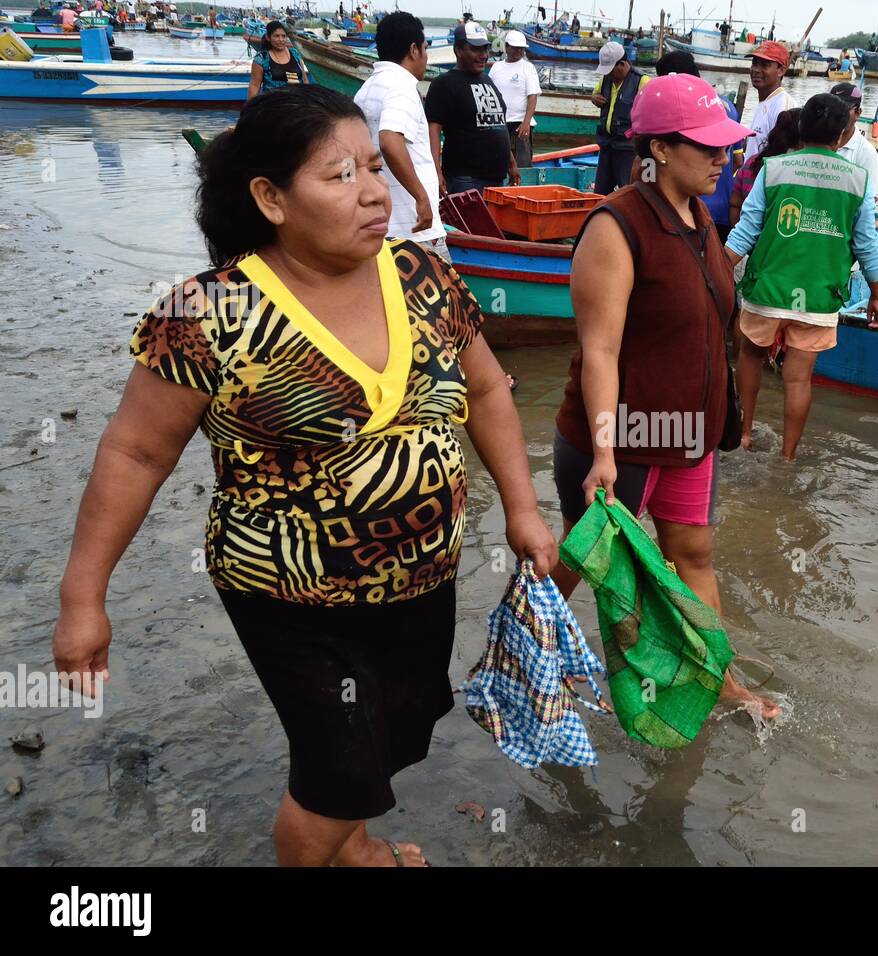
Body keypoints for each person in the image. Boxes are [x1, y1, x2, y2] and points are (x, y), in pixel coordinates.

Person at [52, 86, 555, 867]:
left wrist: (521, 509)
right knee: (336, 778)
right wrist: (83, 599)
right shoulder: (208, 314)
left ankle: (355, 849)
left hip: (423, 576)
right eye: (338, 174)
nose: (371, 190)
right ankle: (334, 846)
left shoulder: (424, 276)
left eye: (371, 167)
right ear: (269, 198)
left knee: (394, 732)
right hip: (290, 596)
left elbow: (488, 389)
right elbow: (135, 454)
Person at [549, 73, 779, 721]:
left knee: (695, 554)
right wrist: (602, 453)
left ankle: (721, 681)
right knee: (582, 562)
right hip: (621, 439)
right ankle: (521, 648)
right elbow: (598, 350)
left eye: (724, 145)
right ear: (659, 149)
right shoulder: (615, 226)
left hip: (687, 436)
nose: (722, 157)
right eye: (705, 146)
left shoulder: (700, 216)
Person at [725, 94, 878, 459]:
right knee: (798, 378)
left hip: (767, 286)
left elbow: (746, 230)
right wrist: (877, 294)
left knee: (749, 357)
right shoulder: (857, 179)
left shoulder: (774, 168)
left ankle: (745, 434)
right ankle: (787, 456)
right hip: (819, 293)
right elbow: (866, 244)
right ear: (843, 135)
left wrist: (716, 268)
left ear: (800, 128)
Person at [353, 11, 448, 261]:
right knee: (443, 297)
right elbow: (390, 140)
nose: (426, 57)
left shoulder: (365, 90)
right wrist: (422, 198)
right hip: (414, 231)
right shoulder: (402, 87)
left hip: (382, 227)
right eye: (425, 49)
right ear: (414, 49)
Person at [424, 20, 520, 195]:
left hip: (498, 179)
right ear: (458, 50)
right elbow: (433, 130)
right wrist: (436, 171)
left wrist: (511, 162)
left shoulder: (488, 80)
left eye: (485, 49)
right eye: (475, 49)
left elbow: (499, 124)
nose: (483, 55)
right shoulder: (444, 84)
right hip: (465, 180)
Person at [656, 49, 743, 240]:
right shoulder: (727, 105)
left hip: (691, 209)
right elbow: (737, 159)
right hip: (724, 208)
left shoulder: (676, 110)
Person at [590, 41, 650, 194]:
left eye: (611, 70)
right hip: (607, 145)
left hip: (628, 148)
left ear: (622, 64)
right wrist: (595, 98)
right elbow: (594, 94)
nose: (608, 74)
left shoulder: (642, 82)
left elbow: (652, 115)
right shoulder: (605, 80)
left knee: (627, 190)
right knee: (601, 191)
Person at [729, 107, 800, 225]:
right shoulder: (796, 170)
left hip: (746, 233)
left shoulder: (753, 162)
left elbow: (735, 204)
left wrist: (738, 236)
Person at [489, 30, 541, 170]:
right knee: (497, 163)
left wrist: (526, 122)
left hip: (520, 124)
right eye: (516, 47)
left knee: (522, 165)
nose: (519, 51)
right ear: (506, 47)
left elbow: (533, 96)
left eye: (522, 48)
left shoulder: (528, 67)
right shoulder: (496, 67)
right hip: (499, 123)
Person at [744, 40, 797, 164]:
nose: (756, 70)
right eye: (754, 63)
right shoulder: (765, 102)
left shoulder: (783, 106)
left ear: (781, 70)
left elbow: (782, 158)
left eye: (764, 65)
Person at [829, 82, 878, 199]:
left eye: (844, 109)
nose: (837, 115)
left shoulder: (867, 152)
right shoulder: (817, 140)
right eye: (833, 109)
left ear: (858, 113)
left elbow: (870, 199)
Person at [246, 21, 312, 99]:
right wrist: (250, 108)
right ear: (268, 37)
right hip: (274, 106)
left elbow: (304, 80)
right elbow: (255, 86)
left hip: (297, 105)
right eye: (276, 36)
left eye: (283, 36)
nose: (281, 39)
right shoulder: (262, 58)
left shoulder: (295, 54)